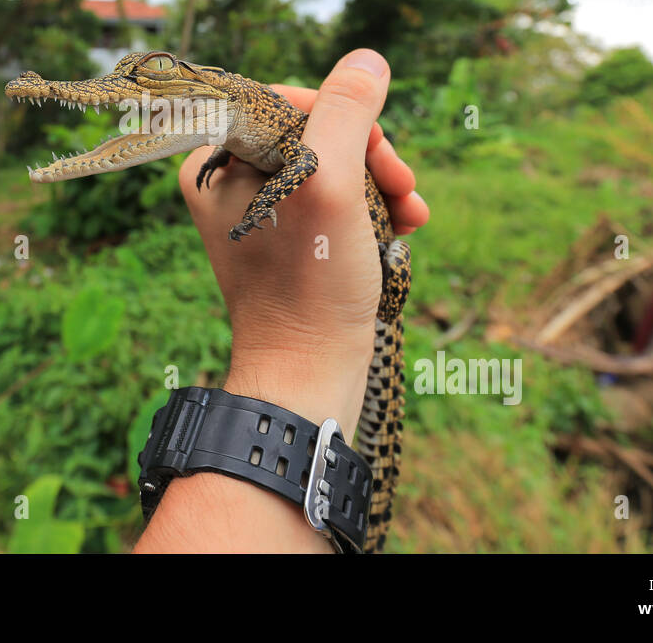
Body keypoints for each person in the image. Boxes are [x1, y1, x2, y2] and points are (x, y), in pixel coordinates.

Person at [133, 48, 430, 553]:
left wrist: (262, 204)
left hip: (377, 280)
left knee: (398, 252)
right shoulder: (252, 127)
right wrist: (230, 149)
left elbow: (307, 158)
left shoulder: (272, 125)